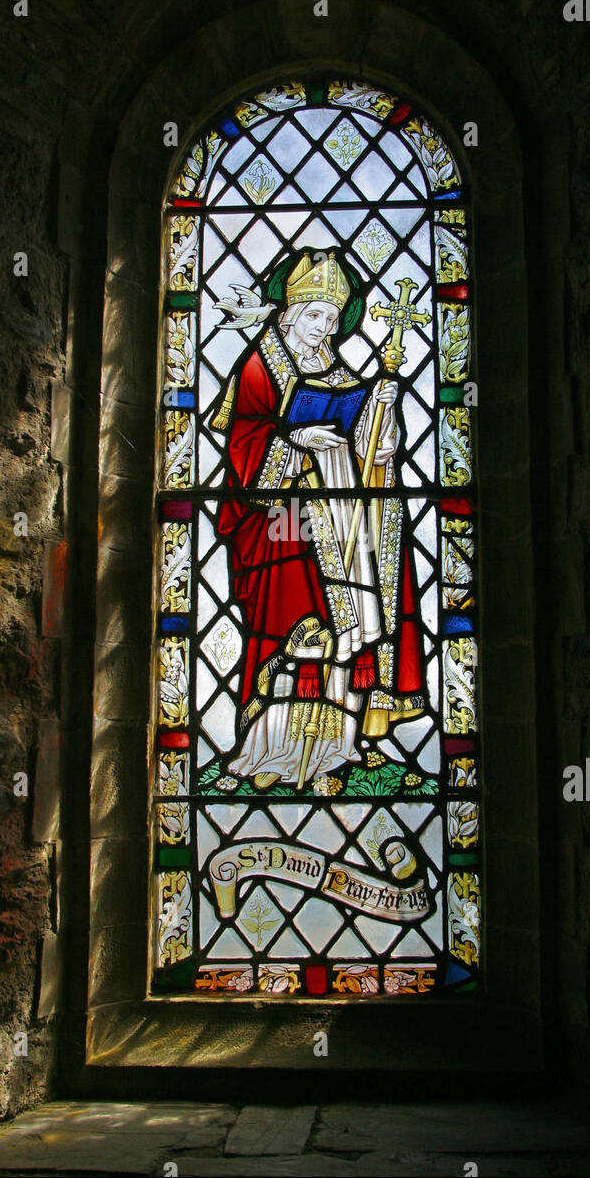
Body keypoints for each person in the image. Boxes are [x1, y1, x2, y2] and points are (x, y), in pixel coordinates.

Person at [215, 250, 423, 790]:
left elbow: (365, 445)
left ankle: (339, 743)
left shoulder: (335, 370)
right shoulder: (262, 366)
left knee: (342, 629)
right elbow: (244, 447)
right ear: (290, 312)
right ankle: (274, 747)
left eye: (333, 320)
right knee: (297, 625)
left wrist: (381, 424)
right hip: (280, 524)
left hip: (335, 515)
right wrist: (294, 439)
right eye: (315, 316)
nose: (324, 329)